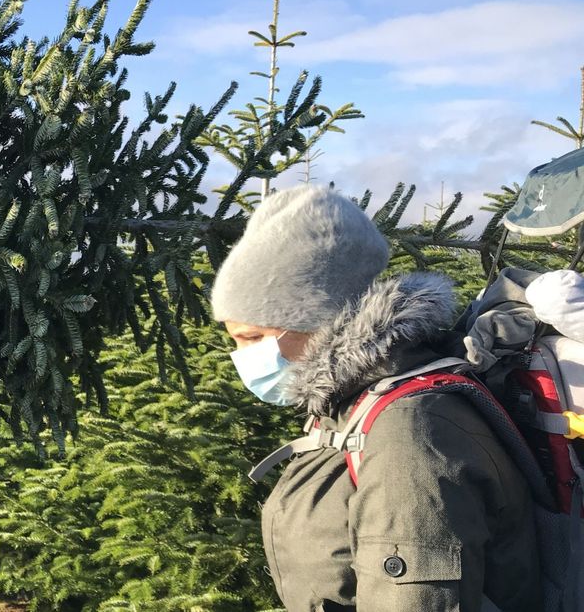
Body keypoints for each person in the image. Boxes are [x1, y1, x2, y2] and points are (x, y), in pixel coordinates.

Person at [210, 185, 541, 611]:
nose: (242, 357)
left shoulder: (408, 433)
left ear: (317, 319)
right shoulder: (345, 409)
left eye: (252, 338)